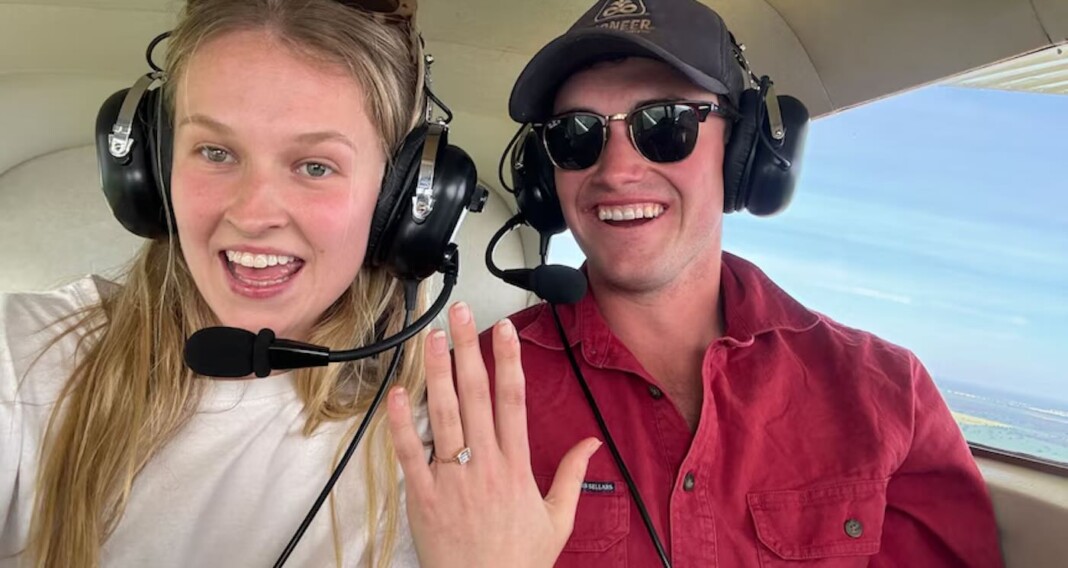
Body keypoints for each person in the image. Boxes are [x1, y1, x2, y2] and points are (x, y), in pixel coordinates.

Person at [386, 0, 1005, 566]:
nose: (618, 168)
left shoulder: (888, 395)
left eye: (666, 125)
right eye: (577, 135)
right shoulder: (471, 399)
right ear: (545, 179)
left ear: (743, 151)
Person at [0, 0, 458, 566]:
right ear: (151, 172)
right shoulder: (24, 361)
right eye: (215, 152)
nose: (253, 212)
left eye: (315, 166)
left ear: (401, 204)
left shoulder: (440, 450)